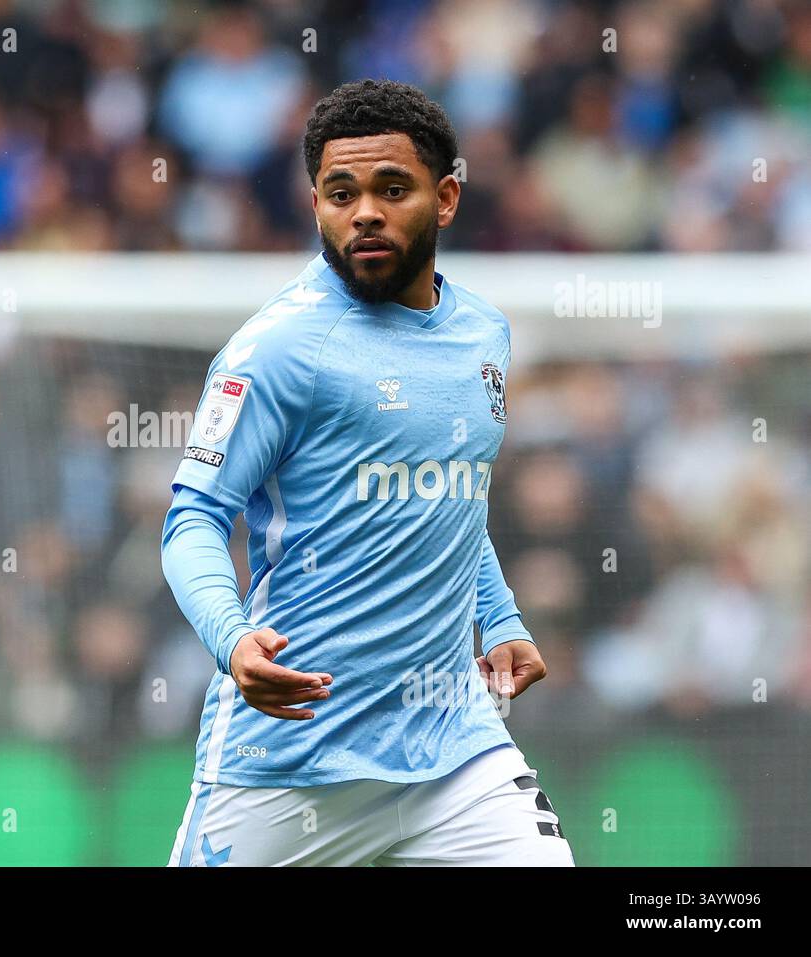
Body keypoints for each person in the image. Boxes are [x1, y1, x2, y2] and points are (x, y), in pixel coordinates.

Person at [161, 79, 574, 866]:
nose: (366, 213)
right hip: (290, 758)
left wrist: (504, 617)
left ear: (446, 198)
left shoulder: (484, 332)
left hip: (454, 750)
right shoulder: (276, 351)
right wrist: (233, 638)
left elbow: (447, 494)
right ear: (315, 203)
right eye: (340, 192)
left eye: (393, 188)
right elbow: (192, 522)